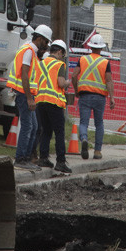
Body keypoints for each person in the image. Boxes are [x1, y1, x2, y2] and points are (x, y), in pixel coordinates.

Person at [6, 24, 51, 163]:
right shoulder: (29, 51)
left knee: (34, 127)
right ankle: (21, 158)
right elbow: (25, 75)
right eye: (46, 41)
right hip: (24, 95)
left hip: (26, 95)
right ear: (40, 38)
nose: (47, 44)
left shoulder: (31, 51)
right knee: (28, 127)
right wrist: (29, 98)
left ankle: (26, 157)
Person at [30, 38, 72, 174]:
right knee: (59, 132)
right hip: (54, 101)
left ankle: (43, 158)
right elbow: (60, 83)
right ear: (59, 52)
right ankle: (61, 161)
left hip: (40, 101)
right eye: (63, 55)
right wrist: (68, 82)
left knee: (46, 131)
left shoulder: (41, 63)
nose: (63, 58)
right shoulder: (59, 65)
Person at [76, 33, 112, 161]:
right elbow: (108, 81)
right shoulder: (105, 62)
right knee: (99, 124)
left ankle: (84, 138)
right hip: (99, 97)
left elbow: (74, 76)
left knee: (83, 122)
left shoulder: (82, 59)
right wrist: (112, 98)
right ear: (101, 48)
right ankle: (97, 151)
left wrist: (76, 91)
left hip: (84, 95)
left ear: (90, 47)